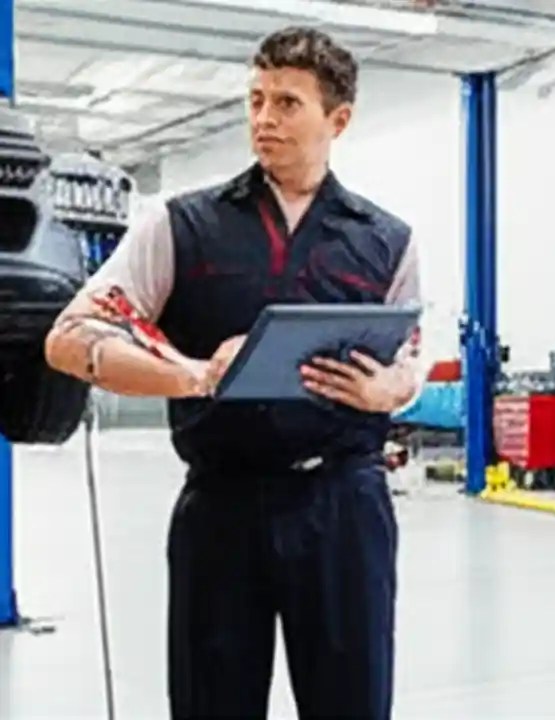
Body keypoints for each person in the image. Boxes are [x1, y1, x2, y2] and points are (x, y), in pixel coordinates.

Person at [44, 26, 422, 720]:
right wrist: (191, 374)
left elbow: (410, 363)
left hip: (343, 503)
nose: (263, 119)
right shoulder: (180, 225)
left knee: (353, 702)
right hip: (223, 505)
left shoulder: (385, 239)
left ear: (338, 120)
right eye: (255, 100)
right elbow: (69, 339)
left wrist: (384, 390)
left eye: (286, 103)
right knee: (211, 703)